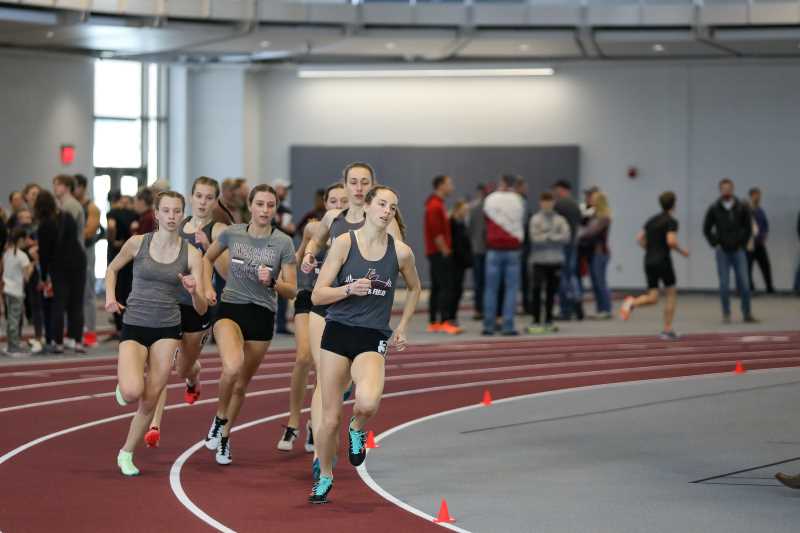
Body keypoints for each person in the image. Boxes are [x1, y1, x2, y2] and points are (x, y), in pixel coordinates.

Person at [309, 185, 421, 504]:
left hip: (372, 335)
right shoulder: (345, 243)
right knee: (329, 419)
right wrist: (349, 289)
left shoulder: (400, 252)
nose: (387, 211)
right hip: (338, 331)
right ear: (368, 206)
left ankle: (357, 429)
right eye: (382, 204)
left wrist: (402, 325)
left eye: (392, 207)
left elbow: (415, 288)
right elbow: (318, 294)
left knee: (368, 402)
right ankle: (327, 475)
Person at [300, 162, 405, 481]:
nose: (358, 188)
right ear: (344, 186)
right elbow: (314, 244)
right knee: (321, 376)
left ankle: (337, 429)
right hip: (329, 305)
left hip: (365, 317)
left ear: (373, 187)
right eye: (353, 182)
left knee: (347, 388)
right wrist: (308, 256)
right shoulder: (333, 218)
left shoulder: (387, 221)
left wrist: (395, 322)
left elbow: (396, 260)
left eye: (364, 183)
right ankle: (321, 455)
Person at [106, 191, 207, 476]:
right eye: (167, 211)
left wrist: (193, 291)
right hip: (136, 323)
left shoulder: (192, 254)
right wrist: (110, 297)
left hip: (167, 327)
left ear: (182, 214)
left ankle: (126, 452)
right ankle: (125, 385)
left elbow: (200, 309)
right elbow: (112, 269)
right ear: (157, 214)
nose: (172, 216)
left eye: (177, 211)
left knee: (150, 399)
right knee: (132, 390)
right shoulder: (138, 243)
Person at [201, 185, 297, 465]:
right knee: (231, 366)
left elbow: (292, 290)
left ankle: (225, 438)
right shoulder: (232, 233)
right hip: (231, 307)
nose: (265, 210)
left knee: (241, 385)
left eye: (270, 205)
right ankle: (219, 420)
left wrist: (274, 282)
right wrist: (207, 288)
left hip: (262, 315)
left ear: (275, 208)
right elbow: (207, 259)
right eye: (260, 204)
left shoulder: (283, 243)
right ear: (250, 206)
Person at [144, 177, 229, 448]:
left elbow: (227, 272)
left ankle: (194, 375)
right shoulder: (176, 224)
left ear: (215, 201)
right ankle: (154, 424)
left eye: (208, 197)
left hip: (198, 304)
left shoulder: (220, 230)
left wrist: (207, 247)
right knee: (160, 364)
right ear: (191, 198)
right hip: (170, 302)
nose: (203, 202)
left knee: (182, 369)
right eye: (199, 196)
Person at [277, 183, 348, 452]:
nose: (338, 204)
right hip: (308, 294)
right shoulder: (312, 227)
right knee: (304, 357)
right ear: (325, 203)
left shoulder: (355, 233)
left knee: (325, 366)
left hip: (337, 301)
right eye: (333, 200)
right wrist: (299, 265)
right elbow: (296, 258)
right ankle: (294, 421)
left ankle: (313, 422)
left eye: (343, 200)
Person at [620, 191, 690, 339]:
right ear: (674, 204)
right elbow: (671, 241)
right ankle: (667, 329)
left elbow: (639, 238)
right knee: (671, 293)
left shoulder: (651, 220)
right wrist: (682, 251)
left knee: (653, 296)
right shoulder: (671, 221)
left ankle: (632, 302)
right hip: (663, 260)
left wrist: (650, 249)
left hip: (648, 260)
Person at [34, 190, 87, 354]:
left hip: (60, 266)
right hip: (78, 261)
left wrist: (43, 277)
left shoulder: (43, 226)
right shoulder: (67, 217)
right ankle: (77, 341)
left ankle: (58, 343)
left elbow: (44, 255)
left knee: (59, 302)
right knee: (77, 303)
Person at [703, 178, 757, 323]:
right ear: (720, 190)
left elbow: (748, 227)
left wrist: (744, 244)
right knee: (724, 285)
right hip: (723, 252)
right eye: (723, 188)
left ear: (732, 189)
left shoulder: (741, 207)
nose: (726, 190)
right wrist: (715, 243)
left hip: (739, 251)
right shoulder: (714, 208)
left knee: (745, 284)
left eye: (729, 188)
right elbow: (706, 229)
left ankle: (747, 314)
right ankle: (726, 314)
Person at [482, 174, 525, 336]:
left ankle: (488, 325)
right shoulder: (519, 199)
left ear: (501, 182)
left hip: (493, 248)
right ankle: (508, 325)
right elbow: (522, 220)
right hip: (513, 249)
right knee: (511, 289)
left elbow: (485, 221)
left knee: (491, 289)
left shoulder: (490, 199)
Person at [527, 192, 570, 334]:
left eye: (549, 201)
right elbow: (534, 238)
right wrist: (552, 235)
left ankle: (549, 320)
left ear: (553, 203)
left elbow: (566, 237)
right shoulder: (535, 219)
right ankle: (536, 321)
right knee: (537, 290)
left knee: (552, 292)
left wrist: (546, 235)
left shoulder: (561, 220)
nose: (547, 204)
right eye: (544, 201)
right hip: (539, 261)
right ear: (540, 203)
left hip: (555, 260)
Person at [424, 175, 460, 334]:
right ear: (440, 186)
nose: (452, 187)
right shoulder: (435, 206)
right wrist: (445, 251)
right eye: (449, 184)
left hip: (437, 252)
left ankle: (434, 322)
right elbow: (436, 232)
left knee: (438, 287)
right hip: (439, 253)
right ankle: (443, 321)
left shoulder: (438, 205)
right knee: (445, 287)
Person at [106, 190, 139, 338]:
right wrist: (129, 241)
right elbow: (134, 229)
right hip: (130, 254)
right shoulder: (133, 213)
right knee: (128, 289)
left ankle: (120, 327)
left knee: (117, 289)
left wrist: (113, 241)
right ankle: (129, 323)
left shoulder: (112, 212)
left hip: (116, 252)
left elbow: (111, 226)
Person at [74, 174, 101, 346]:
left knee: (88, 293)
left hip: (86, 251)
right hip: (71, 252)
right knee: (73, 294)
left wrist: (70, 237)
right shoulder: (69, 206)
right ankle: (76, 331)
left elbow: (90, 231)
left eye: (75, 186)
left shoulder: (92, 207)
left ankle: (91, 333)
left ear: (83, 187)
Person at [552, 180, 583, 321]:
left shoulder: (559, 205)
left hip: (562, 245)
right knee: (572, 275)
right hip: (573, 244)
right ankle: (577, 299)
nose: (554, 193)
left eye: (556, 190)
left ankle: (566, 309)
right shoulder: (576, 205)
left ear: (562, 189)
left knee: (562, 277)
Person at [580, 191, 613, 319]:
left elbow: (590, 231)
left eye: (593, 199)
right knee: (595, 282)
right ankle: (601, 309)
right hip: (594, 252)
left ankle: (606, 309)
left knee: (600, 282)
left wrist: (579, 233)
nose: (590, 201)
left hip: (601, 253)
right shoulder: (593, 214)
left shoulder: (604, 217)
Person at [4, 228, 34, 356]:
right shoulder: (22, 256)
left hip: (6, 290)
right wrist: (33, 264)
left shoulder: (7, 253)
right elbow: (27, 277)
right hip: (16, 291)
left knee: (10, 319)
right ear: (21, 240)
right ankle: (14, 347)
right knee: (15, 320)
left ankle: (11, 344)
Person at [273, 179, 295, 335]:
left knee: (284, 286)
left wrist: (289, 229)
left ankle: (281, 323)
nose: (286, 192)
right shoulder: (267, 208)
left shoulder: (285, 209)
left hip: (282, 251)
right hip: (268, 250)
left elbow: (289, 230)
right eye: (283, 189)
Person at [745, 187, 775, 294]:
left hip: (760, 243)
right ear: (751, 196)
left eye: (759, 196)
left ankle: (770, 287)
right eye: (756, 195)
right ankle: (749, 288)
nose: (758, 197)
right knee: (748, 267)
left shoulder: (760, 210)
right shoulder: (746, 208)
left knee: (765, 265)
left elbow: (765, 224)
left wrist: (765, 234)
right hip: (749, 243)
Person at [448, 200, 472, 326]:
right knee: (453, 289)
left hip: (461, 262)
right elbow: (456, 244)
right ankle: (449, 316)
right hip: (454, 261)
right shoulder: (451, 223)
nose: (466, 212)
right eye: (464, 209)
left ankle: (453, 315)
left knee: (458, 290)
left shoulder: (461, 224)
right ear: (458, 209)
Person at [467, 184, 488, 320]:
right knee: (488, 282)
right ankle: (486, 309)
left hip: (476, 249)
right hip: (488, 249)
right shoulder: (492, 208)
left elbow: (468, 229)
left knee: (478, 281)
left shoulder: (472, 208)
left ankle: (478, 309)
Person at [52, 175, 86, 249]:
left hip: (73, 251)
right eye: (54, 184)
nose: (55, 187)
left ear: (68, 187)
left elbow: (64, 229)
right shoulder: (63, 205)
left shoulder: (71, 204)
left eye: (58, 184)